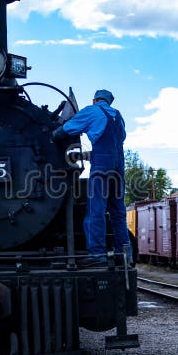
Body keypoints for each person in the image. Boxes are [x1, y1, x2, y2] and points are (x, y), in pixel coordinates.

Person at [52, 89, 130, 265]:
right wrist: (87, 155)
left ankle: (97, 254)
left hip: (101, 169)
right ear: (109, 101)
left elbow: (68, 128)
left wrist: (54, 134)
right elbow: (115, 141)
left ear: (95, 100)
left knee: (96, 211)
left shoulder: (92, 111)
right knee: (118, 213)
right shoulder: (118, 116)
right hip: (118, 169)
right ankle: (125, 253)